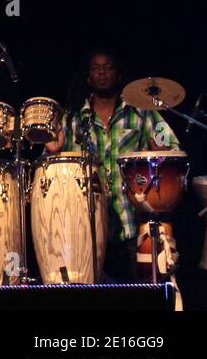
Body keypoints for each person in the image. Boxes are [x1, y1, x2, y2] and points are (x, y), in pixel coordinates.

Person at [44, 49, 180, 279]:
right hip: (84, 227)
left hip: (131, 225)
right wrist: (51, 149)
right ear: (88, 77)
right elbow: (50, 162)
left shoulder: (142, 113)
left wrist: (155, 152)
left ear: (118, 75)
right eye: (96, 68)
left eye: (108, 68)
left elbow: (172, 148)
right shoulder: (73, 117)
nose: (102, 73)